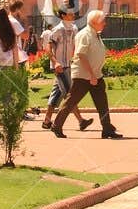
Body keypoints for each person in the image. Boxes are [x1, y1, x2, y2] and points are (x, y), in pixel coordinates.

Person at [48, 9, 121, 139]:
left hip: (95, 75)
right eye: (102, 21)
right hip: (84, 75)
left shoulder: (95, 34)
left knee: (102, 102)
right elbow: (81, 54)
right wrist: (91, 74)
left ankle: (107, 128)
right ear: (94, 22)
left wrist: (95, 73)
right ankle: (56, 125)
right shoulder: (85, 34)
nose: (105, 23)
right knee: (71, 101)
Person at [42, 9, 91, 131]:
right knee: (69, 94)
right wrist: (55, 62)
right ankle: (80, 121)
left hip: (68, 65)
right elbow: (48, 47)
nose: (73, 15)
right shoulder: (57, 30)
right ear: (63, 16)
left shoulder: (74, 28)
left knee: (57, 93)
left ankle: (47, 121)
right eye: (70, 14)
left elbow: (75, 46)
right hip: (60, 66)